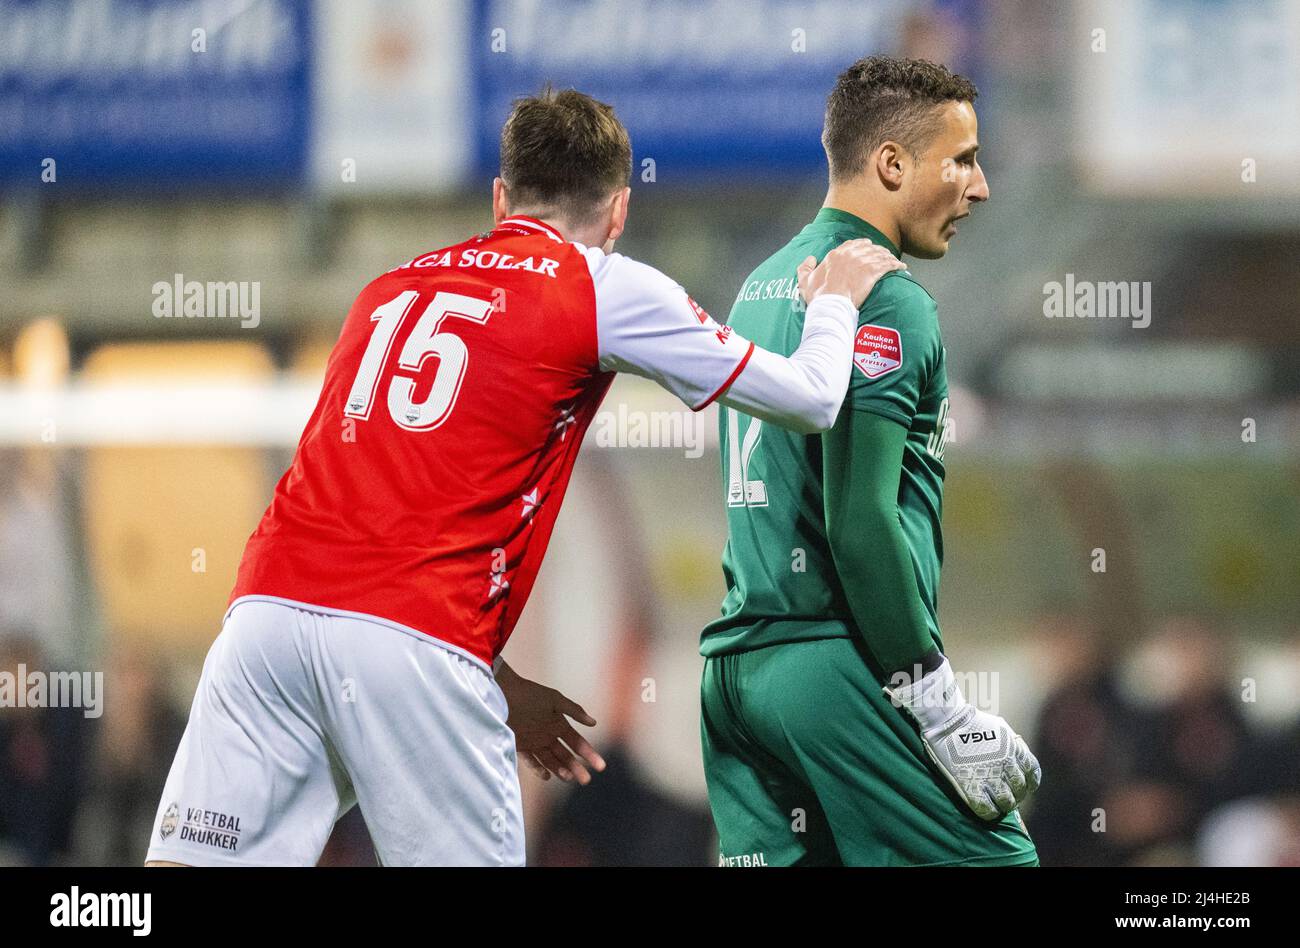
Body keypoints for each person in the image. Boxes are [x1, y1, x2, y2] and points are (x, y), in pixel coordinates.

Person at [145, 87, 903, 866]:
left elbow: (380, 530)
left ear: (502, 197)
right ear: (618, 212)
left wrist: (500, 682)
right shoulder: (598, 283)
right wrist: (835, 299)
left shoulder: (387, 291)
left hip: (263, 620)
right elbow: (811, 397)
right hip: (418, 644)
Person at [699, 56, 1042, 866]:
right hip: (838, 665)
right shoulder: (886, 297)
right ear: (892, 163)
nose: (981, 186)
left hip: (736, 674)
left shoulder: (761, 283)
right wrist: (935, 698)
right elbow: (859, 522)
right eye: (961, 159)